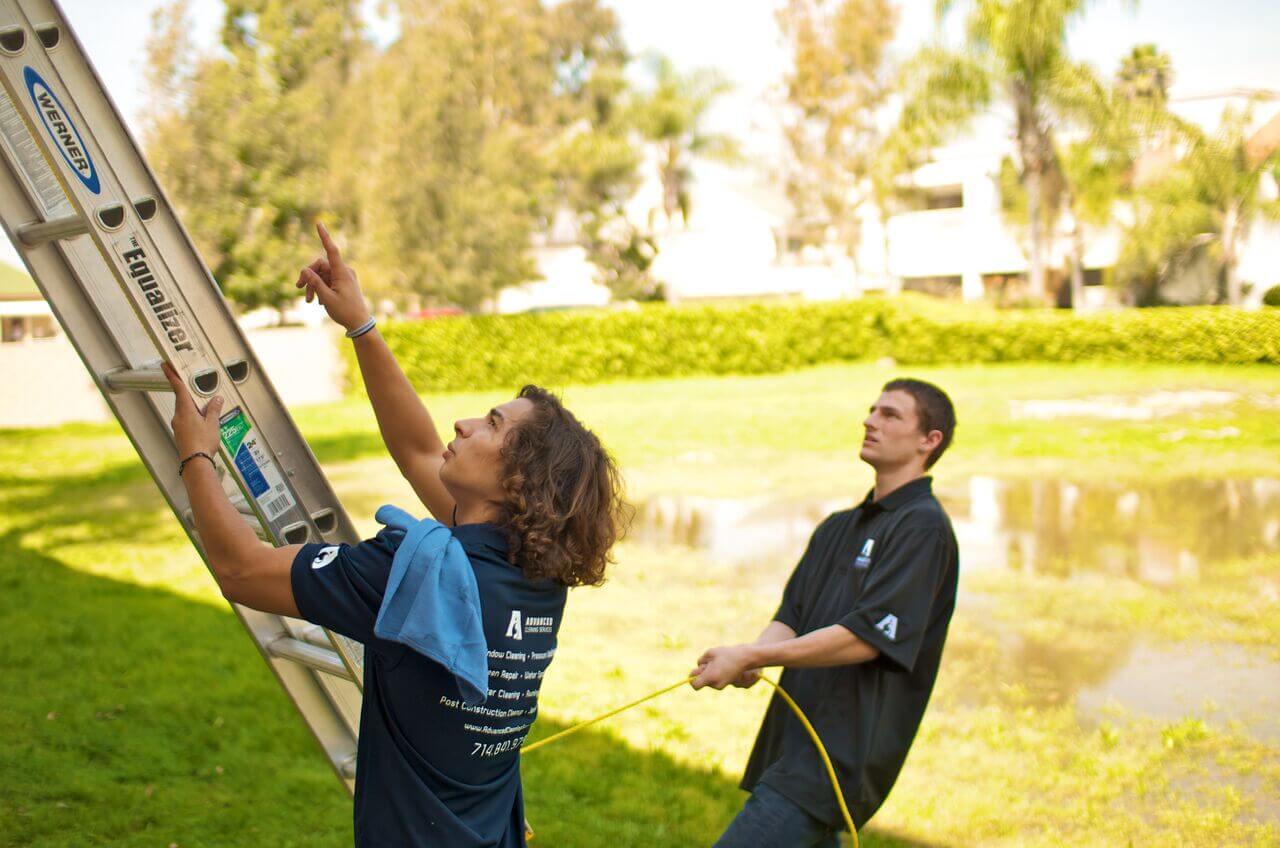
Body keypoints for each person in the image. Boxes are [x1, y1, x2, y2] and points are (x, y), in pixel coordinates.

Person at [164, 223, 626, 847]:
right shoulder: (538, 570)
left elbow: (242, 570)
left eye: (490, 425)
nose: (462, 424)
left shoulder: (416, 572)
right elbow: (417, 450)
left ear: (517, 483)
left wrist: (196, 456)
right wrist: (361, 324)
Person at [690, 379, 959, 847]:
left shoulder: (923, 528)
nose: (870, 420)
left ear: (928, 440)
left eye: (890, 414)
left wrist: (753, 657)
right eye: (872, 409)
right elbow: (791, 616)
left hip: (836, 759)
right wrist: (744, 657)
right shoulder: (838, 526)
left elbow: (866, 638)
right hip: (792, 744)